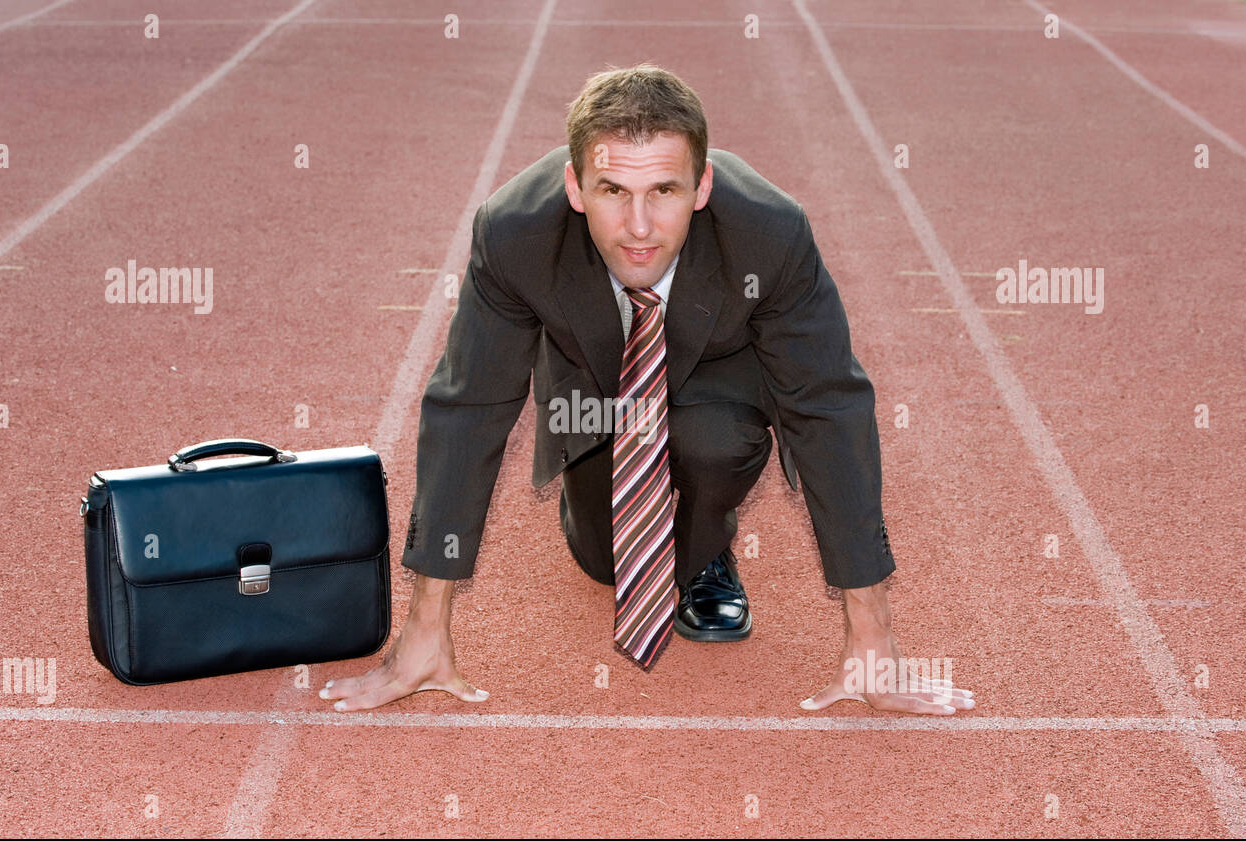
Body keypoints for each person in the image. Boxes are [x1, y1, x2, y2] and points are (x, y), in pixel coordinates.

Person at [320, 64, 973, 715]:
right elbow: (468, 410)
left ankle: (703, 549)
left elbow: (828, 405)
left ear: (702, 185)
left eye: (663, 189)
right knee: (607, 563)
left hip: (714, 385)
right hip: (596, 393)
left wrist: (873, 636)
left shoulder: (769, 235)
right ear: (574, 186)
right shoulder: (515, 235)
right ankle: (603, 503)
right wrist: (424, 627)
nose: (638, 226)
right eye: (613, 191)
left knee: (715, 441)